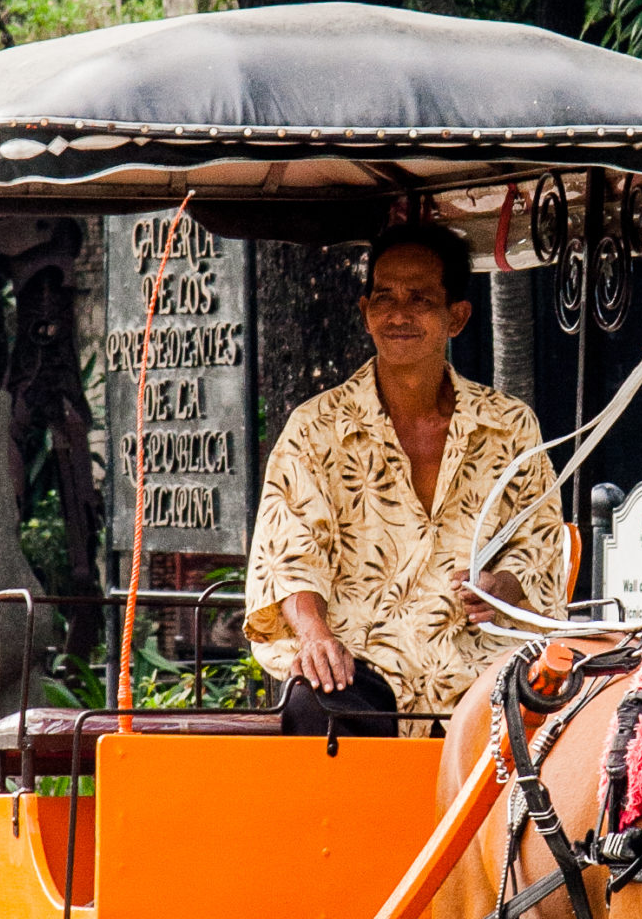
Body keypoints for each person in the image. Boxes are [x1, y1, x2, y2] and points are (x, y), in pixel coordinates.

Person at [244, 222, 570, 733]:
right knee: (317, 711)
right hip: (359, 666)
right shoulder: (316, 428)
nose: (398, 314)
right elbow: (288, 557)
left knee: (570, 724)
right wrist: (315, 637)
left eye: (419, 299)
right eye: (384, 297)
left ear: (456, 317)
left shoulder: (509, 425)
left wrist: (503, 585)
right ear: (365, 312)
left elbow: (541, 541)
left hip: (479, 668)